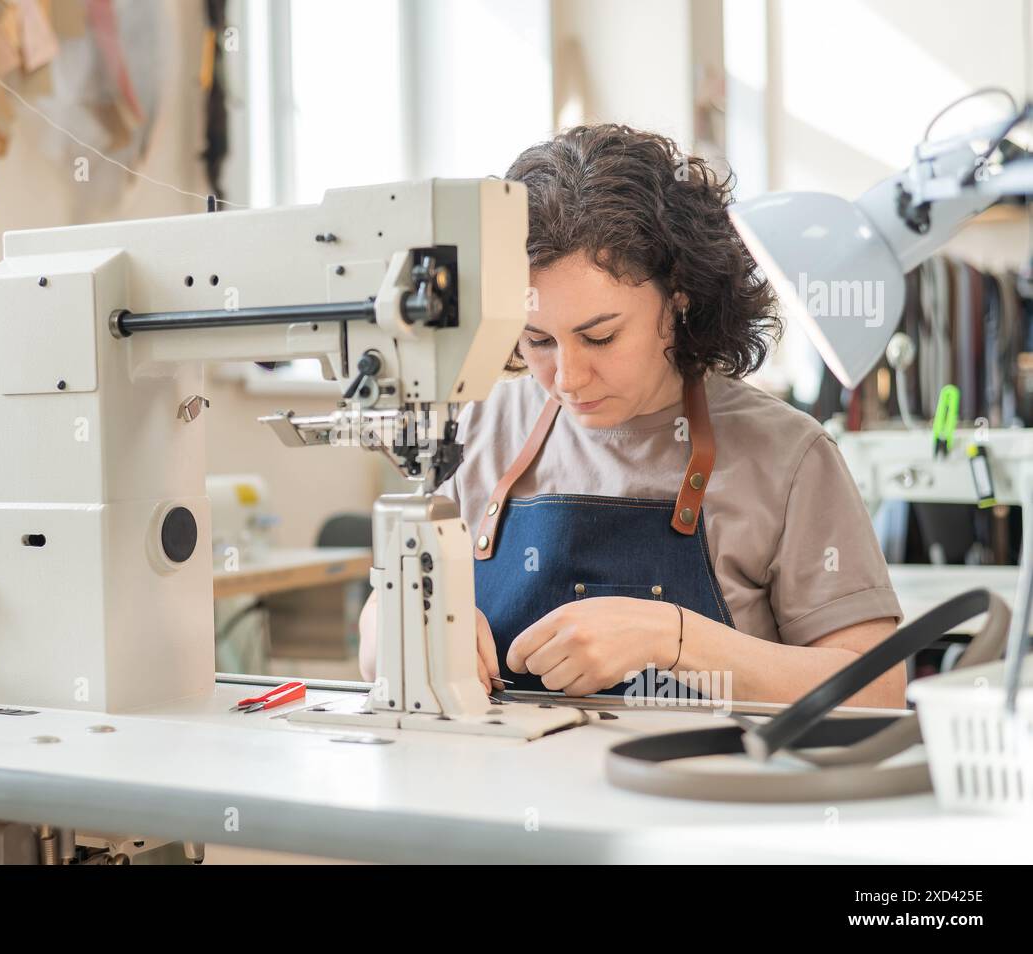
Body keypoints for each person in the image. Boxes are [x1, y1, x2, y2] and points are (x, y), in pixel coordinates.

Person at [358, 124, 905, 706]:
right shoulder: (479, 429)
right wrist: (398, 629)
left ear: (680, 300)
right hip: (500, 788)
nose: (566, 378)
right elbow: (376, 637)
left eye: (600, 337)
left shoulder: (789, 456)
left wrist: (674, 639)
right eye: (538, 340)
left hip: (700, 788)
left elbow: (877, 691)